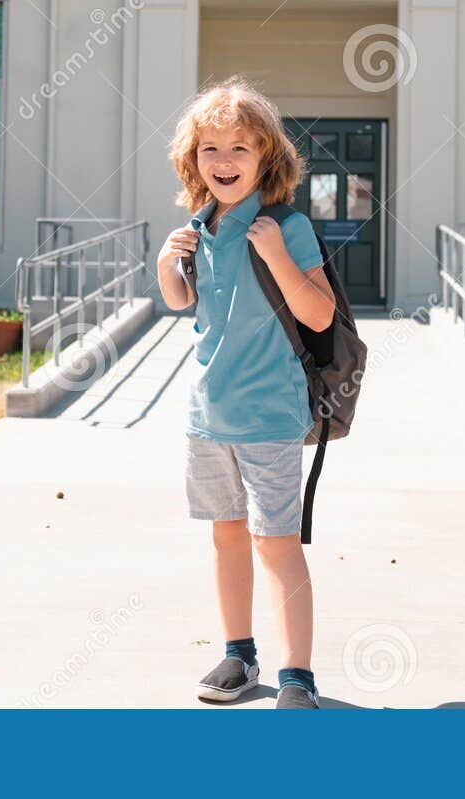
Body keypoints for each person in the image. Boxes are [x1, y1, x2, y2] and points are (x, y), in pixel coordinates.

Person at [156, 75, 337, 710]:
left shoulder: (284, 224)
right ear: (193, 159)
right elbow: (186, 304)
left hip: (270, 415)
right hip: (209, 415)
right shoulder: (200, 226)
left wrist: (279, 256)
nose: (225, 161)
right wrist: (165, 267)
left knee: (277, 544)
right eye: (211, 149)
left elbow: (318, 315)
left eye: (240, 148)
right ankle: (239, 654)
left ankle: (297, 678)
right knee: (225, 536)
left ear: (267, 156)